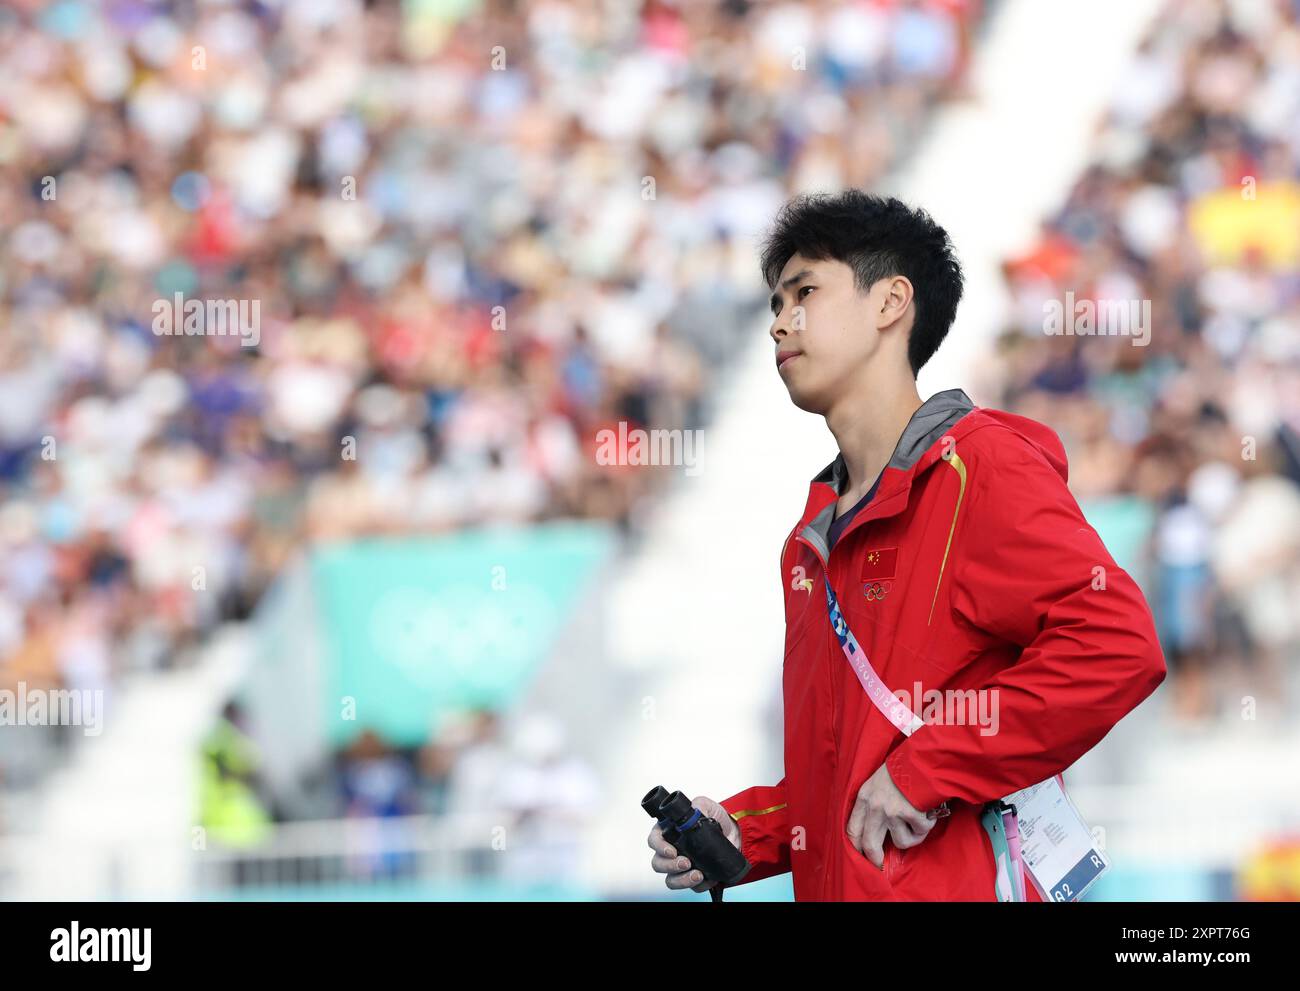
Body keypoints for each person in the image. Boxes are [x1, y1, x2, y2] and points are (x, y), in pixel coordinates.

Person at [647, 191, 1167, 901]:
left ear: (891, 302)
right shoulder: (809, 544)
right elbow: (854, 772)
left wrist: (929, 769)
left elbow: (1117, 645)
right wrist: (747, 828)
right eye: (773, 303)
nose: (778, 324)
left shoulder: (980, 469)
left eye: (804, 292)